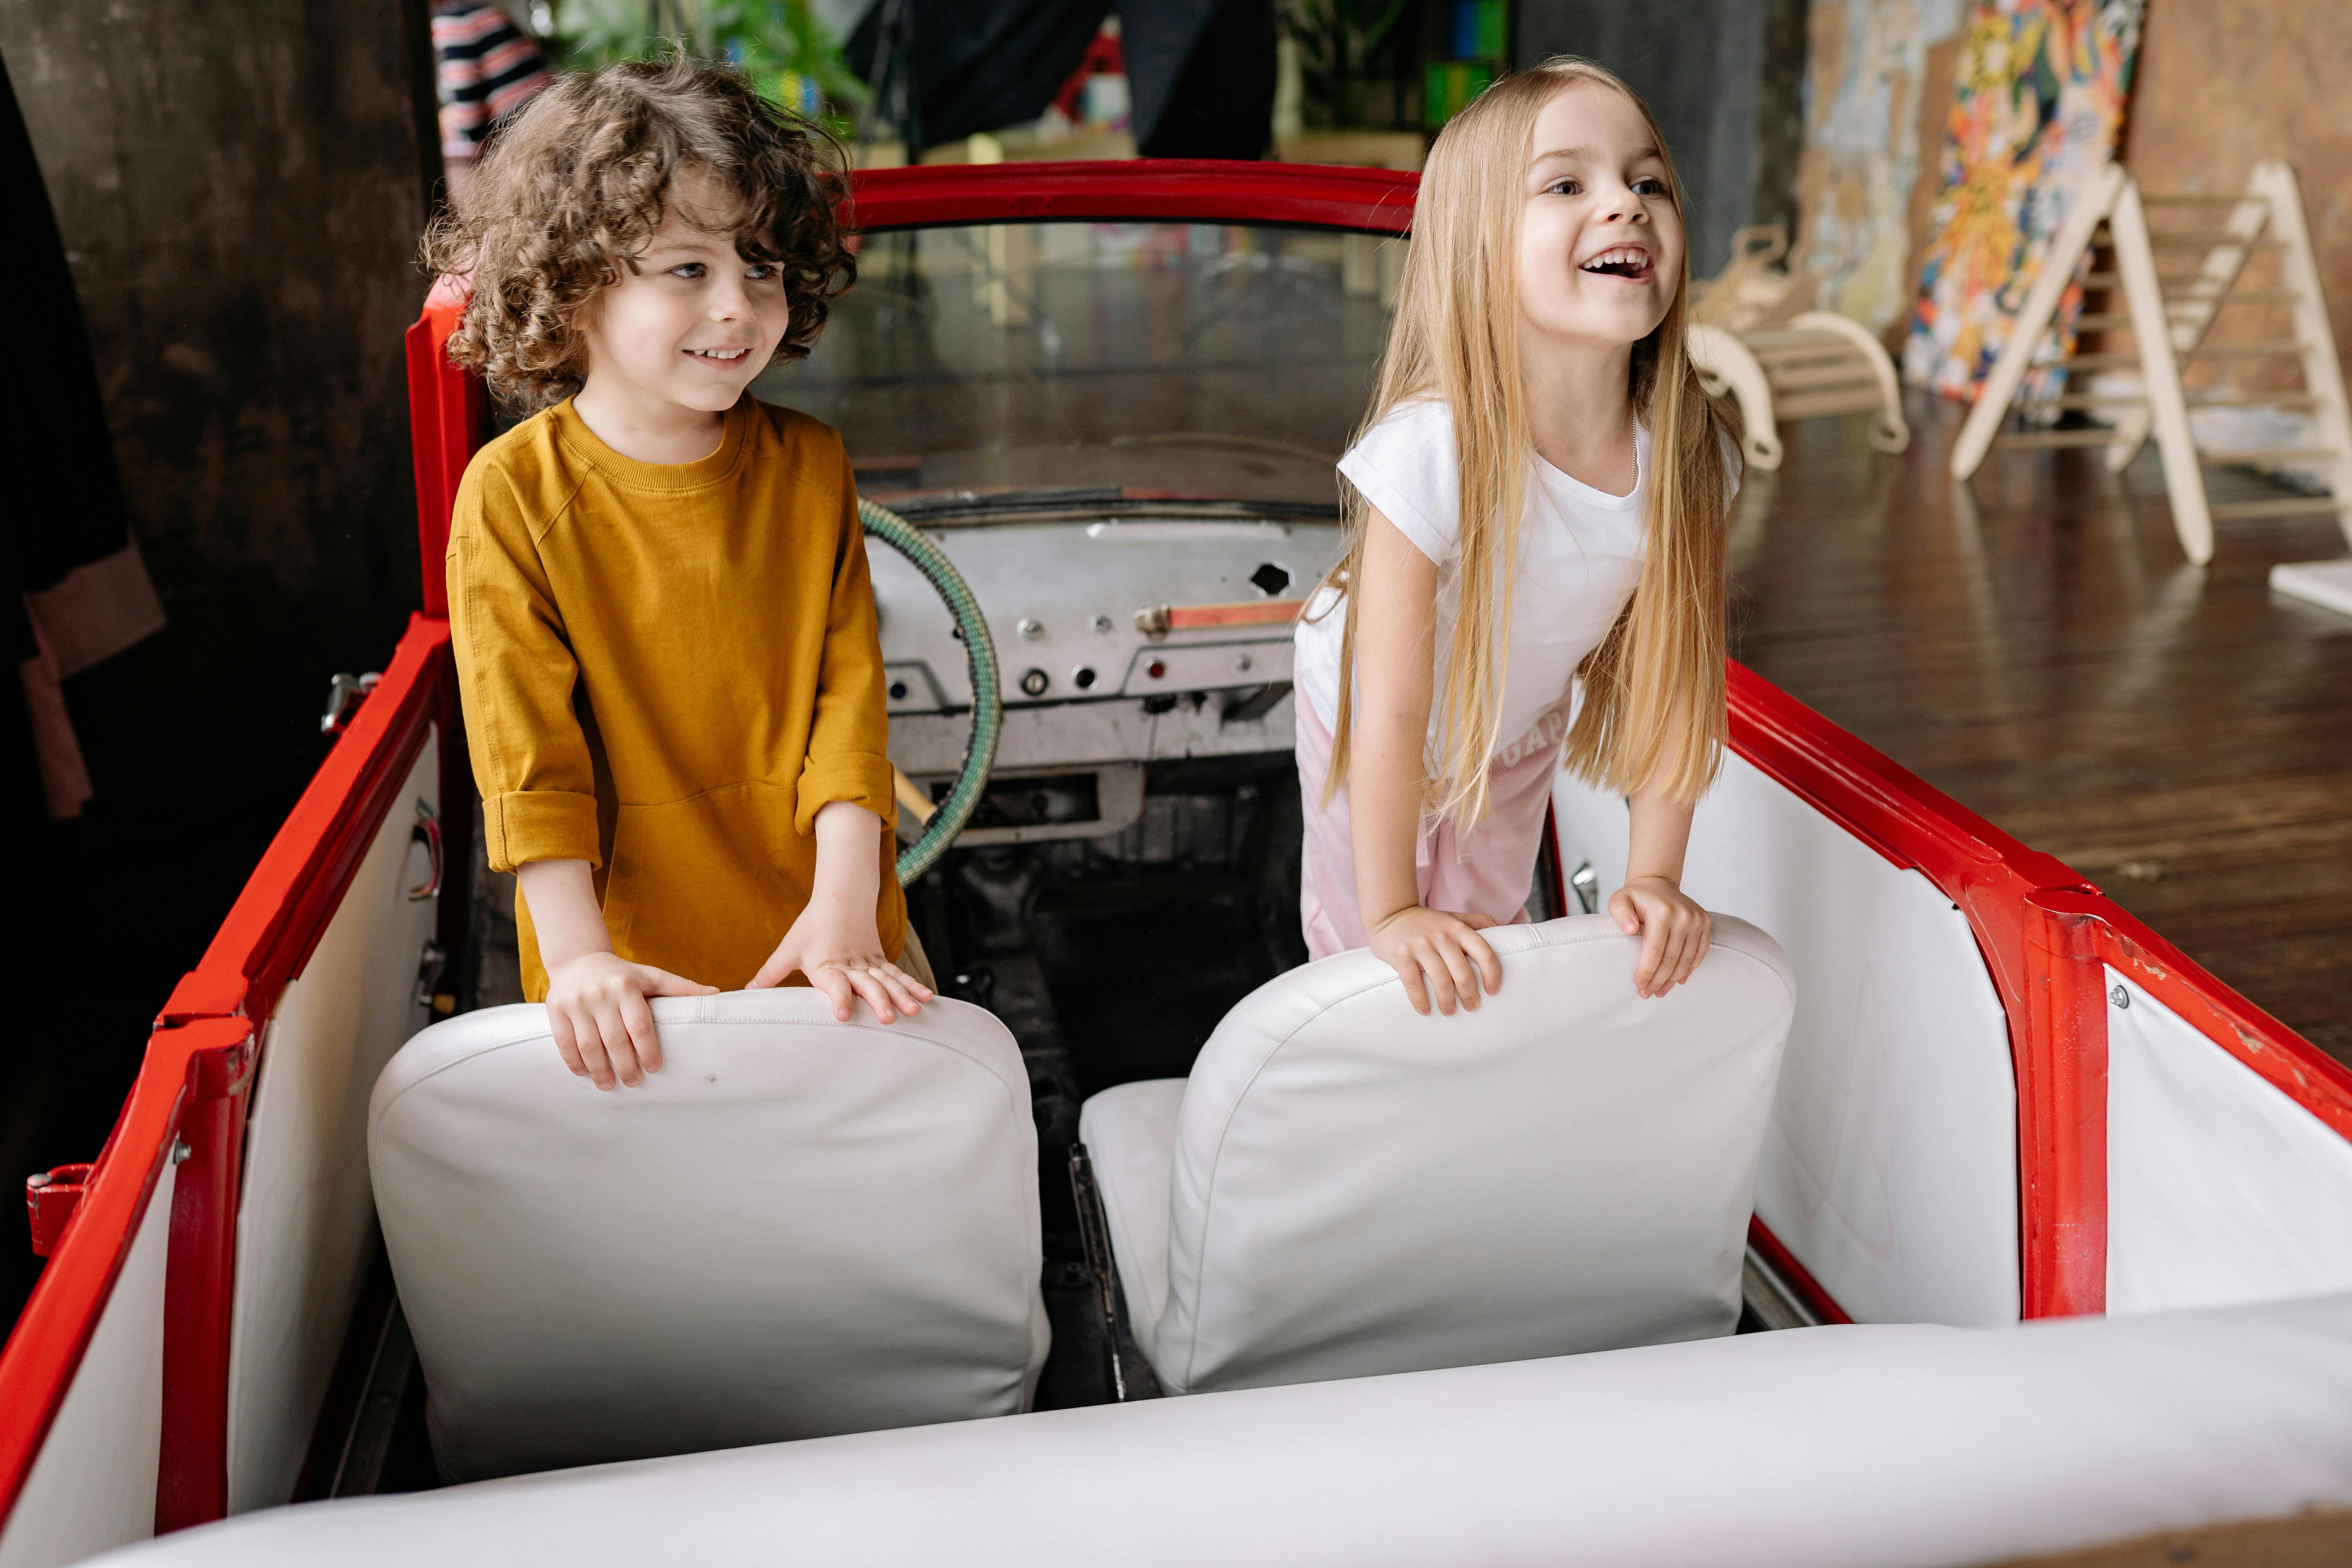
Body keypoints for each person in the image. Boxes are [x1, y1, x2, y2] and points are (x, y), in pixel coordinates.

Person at [427, 55, 933, 1093]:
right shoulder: (512, 493)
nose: (739, 307)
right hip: (625, 970)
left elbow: (848, 707)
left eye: (760, 265)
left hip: (838, 934)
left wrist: (848, 908)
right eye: (688, 269)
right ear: (573, 283)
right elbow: (530, 764)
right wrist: (576, 962)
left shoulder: (811, 463)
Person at [1292, 57, 1740, 1018]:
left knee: (1490, 940)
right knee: (1372, 967)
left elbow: (1675, 684)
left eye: (1647, 180)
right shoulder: (1430, 449)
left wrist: (1655, 875)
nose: (1625, 204)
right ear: (1478, 245)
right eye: (1569, 184)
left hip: (1514, 712)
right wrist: (1393, 913)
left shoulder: (1691, 454)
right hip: (1366, 710)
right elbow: (1393, 712)